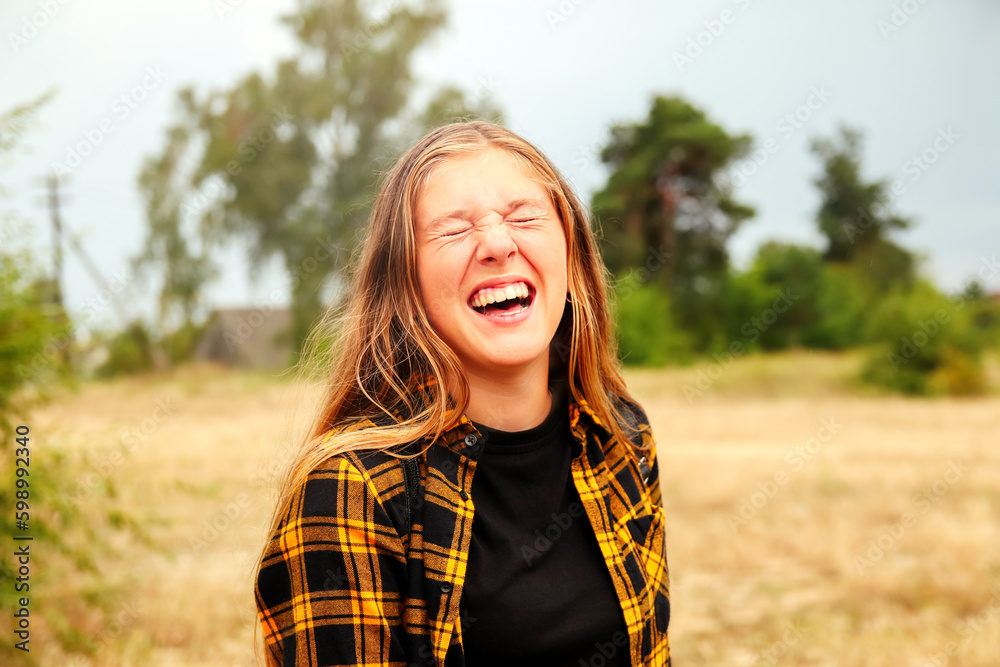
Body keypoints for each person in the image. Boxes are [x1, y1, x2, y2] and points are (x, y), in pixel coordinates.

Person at [255, 121, 670, 667]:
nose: (499, 244)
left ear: (571, 255)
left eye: (524, 217)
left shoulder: (621, 434)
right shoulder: (348, 491)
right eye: (454, 230)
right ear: (407, 283)